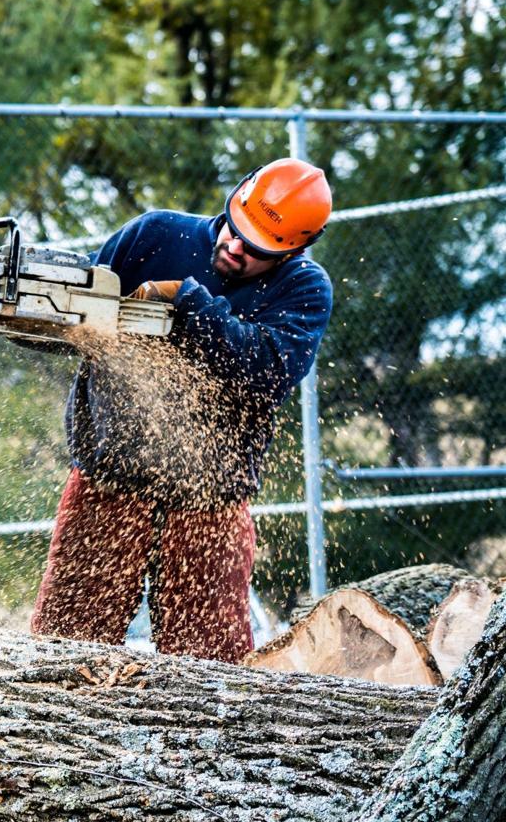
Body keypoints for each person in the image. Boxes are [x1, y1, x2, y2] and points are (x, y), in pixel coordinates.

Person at [30, 158, 334, 663]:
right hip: (109, 481)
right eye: (235, 231)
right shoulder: (156, 235)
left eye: (255, 248)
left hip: (209, 500)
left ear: (296, 247)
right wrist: (31, 290)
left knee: (208, 663)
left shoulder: (302, 290)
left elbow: (265, 368)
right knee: (66, 644)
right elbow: (79, 302)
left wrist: (188, 303)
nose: (235, 248)